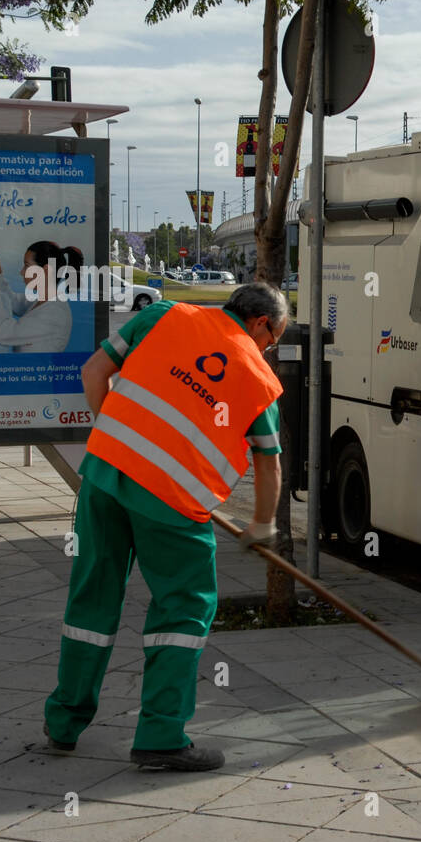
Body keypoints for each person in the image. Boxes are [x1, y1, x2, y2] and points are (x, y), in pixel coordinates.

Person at [44, 283, 288, 771]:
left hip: (105, 478)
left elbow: (94, 372)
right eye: (274, 339)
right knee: (185, 607)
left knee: (92, 595)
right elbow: (268, 463)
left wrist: (115, 438)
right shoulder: (259, 379)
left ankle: (64, 724)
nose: (270, 350)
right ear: (261, 323)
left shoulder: (164, 314)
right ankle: (160, 734)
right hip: (173, 503)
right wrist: (262, 526)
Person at [0, 241, 77, 353]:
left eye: (27, 266)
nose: (21, 272)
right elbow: (14, 302)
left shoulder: (54, 312)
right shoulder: (43, 301)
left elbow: (5, 334)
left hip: (39, 370)